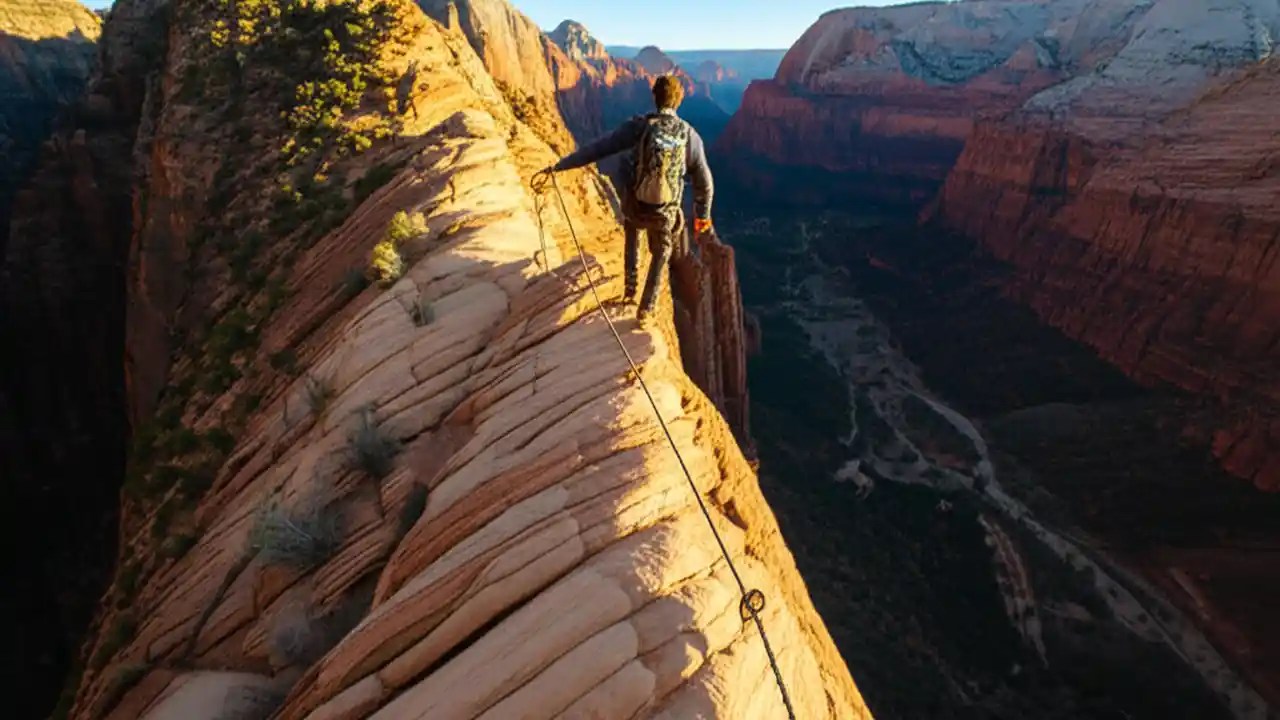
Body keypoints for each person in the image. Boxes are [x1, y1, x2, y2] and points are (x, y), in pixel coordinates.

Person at [540, 75, 714, 324]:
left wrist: (561, 165)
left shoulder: (641, 126)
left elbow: (601, 148)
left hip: (637, 207)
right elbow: (704, 183)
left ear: (655, 97)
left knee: (632, 229)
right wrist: (702, 217)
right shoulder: (690, 136)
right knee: (663, 251)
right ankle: (646, 309)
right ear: (679, 101)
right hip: (666, 212)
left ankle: (630, 291)